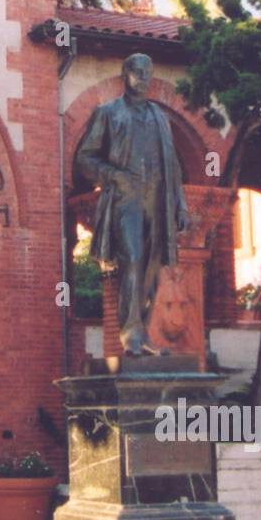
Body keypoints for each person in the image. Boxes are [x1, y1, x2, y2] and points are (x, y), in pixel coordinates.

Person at [75, 52, 190, 356]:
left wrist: (180, 205)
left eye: (148, 73)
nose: (144, 78)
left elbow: (173, 168)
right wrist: (114, 176)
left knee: (153, 269)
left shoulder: (161, 119)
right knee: (133, 260)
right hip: (126, 200)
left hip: (158, 200)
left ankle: (144, 333)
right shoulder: (108, 113)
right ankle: (131, 335)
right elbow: (85, 158)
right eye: (138, 72)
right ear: (125, 74)